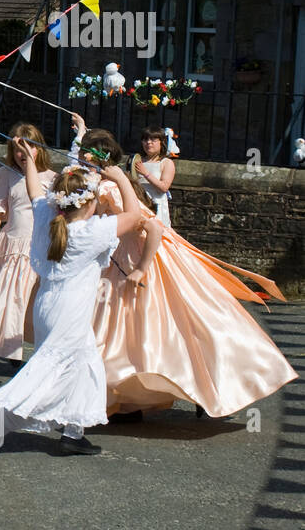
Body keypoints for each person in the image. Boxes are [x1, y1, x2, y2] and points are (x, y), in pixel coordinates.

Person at [78, 127, 297, 420]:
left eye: (84, 153)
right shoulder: (105, 183)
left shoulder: (112, 188)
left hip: (138, 258)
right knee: (136, 330)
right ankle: (129, 398)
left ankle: (189, 388)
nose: (80, 158)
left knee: (158, 326)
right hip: (120, 259)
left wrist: (142, 268)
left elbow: (153, 226)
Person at [0, 145, 143, 457]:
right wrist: (121, 177)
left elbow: (32, 191)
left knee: (83, 365)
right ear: (89, 203)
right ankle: (2, 419)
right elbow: (134, 216)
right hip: (69, 310)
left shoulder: (48, 218)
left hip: (47, 306)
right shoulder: (90, 230)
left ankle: (73, 432)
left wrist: (28, 163)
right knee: (51, 372)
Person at [0, 123, 58, 392]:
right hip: (11, 248)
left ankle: (22, 356)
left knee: (35, 308)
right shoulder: (7, 175)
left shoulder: (53, 178)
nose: (22, 153)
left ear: (38, 148)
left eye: (27, 147)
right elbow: (0, 210)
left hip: (37, 250)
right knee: (4, 304)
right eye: (16, 149)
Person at [131, 127, 175, 228]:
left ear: (161, 142)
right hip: (138, 204)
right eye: (145, 139)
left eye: (153, 140)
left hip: (156, 205)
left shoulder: (166, 163)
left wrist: (146, 173)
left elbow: (164, 187)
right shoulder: (137, 160)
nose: (149, 143)